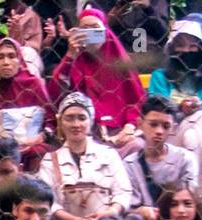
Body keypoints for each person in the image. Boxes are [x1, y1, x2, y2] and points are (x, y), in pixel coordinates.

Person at [38, 94, 133, 220]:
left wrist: (107, 214)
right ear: (60, 122)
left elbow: (123, 192)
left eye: (82, 118)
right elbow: (47, 202)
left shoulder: (109, 154)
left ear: (91, 121)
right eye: (69, 118)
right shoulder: (49, 160)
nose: (76, 124)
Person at [48, 7, 143, 151]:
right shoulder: (75, 62)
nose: (90, 34)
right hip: (85, 133)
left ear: (105, 32)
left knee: (137, 146)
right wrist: (70, 55)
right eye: (85, 29)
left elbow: (136, 100)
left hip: (122, 133)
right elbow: (55, 92)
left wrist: (129, 127)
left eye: (95, 29)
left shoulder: (120, 62)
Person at [124, 98, 200, 220]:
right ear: (140, 124)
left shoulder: (186, 159)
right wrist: (141, 210)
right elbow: (126, 204)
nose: (159, 131)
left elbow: (191, 196)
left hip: (178, 218)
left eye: (165, 126)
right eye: (153, 124)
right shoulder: (129, 164)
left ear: (174, 128)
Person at [0, 36, 54, 173]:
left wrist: (38, 138)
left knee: (44, 155)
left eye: (11, 56)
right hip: (1, 149)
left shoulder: (34, 84)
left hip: (34, 145)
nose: (6, 62)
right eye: (0, 57)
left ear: (19, 59)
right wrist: (6, 146)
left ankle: (36, 191)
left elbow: (50, 121)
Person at [145, 19, 202, 153]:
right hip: (168, 133)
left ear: (201, 49)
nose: (187, 51)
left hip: (198, 131)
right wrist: (180, 107)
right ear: (172, 49)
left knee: (193, 133)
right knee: (201, 119)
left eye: (192, 46)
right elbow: (156, 108)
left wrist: (196, 107)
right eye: (181, 45)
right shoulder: (160, 76)